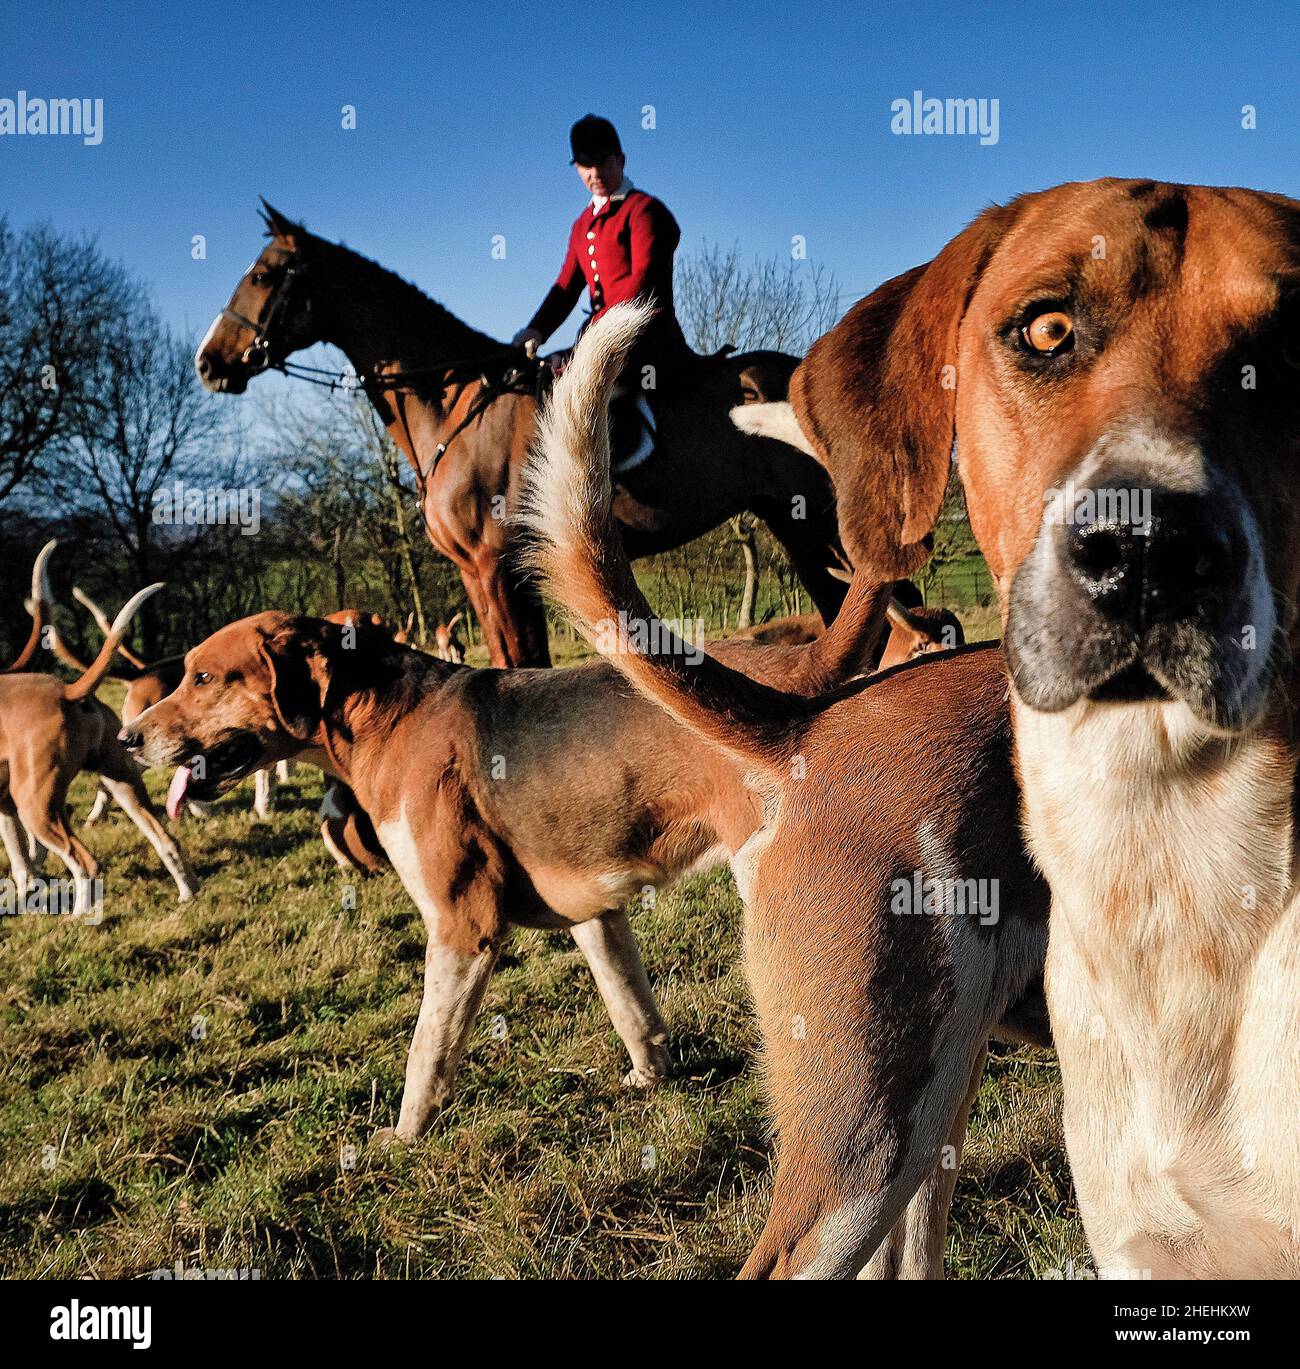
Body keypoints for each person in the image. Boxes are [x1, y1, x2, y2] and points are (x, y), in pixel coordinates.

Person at [513, 114, 694, 394]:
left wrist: (589, 338)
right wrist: (536, 330)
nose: (594, 173)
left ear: (621, 161)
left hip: (646, 343)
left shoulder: (645, 211)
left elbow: (641, 284)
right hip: (598, 343)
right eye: (586, 165)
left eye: (602, 162)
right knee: (536, 382)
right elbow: (566, 287)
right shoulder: (582, 224)